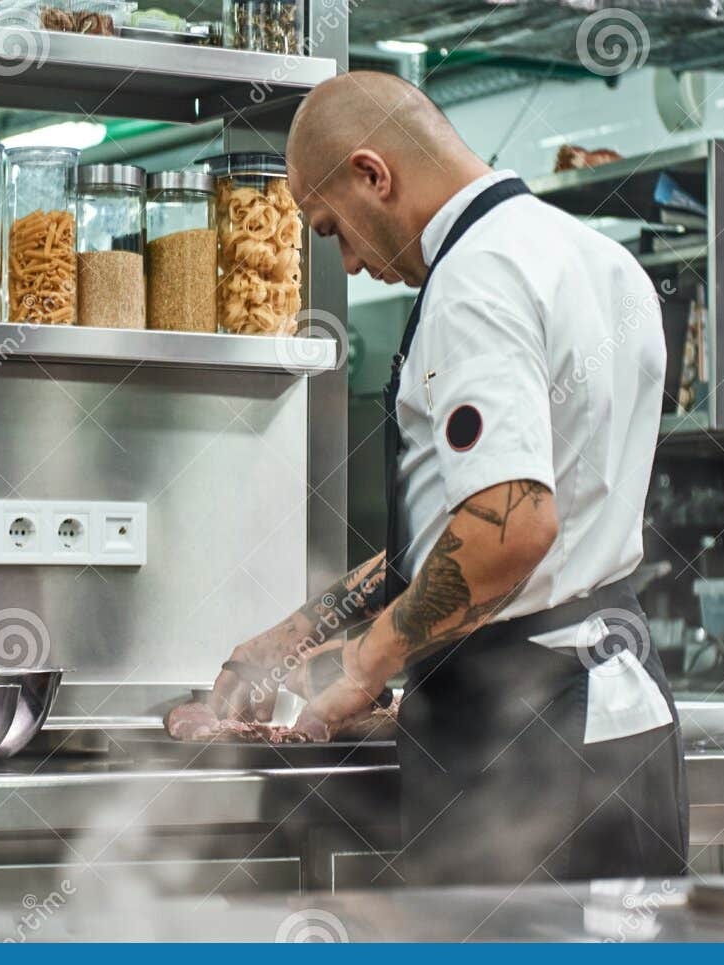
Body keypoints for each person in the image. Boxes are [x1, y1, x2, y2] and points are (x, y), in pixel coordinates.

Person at [209, 72, 688, 886]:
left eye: (333, 229)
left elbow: (512, 524)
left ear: (373, 173)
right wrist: (294, 635)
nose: (351, 264)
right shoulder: (595, 258)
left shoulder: (475, 280)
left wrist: (365, 664)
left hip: (525, 738)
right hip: (611, 718)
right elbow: (464, 531)